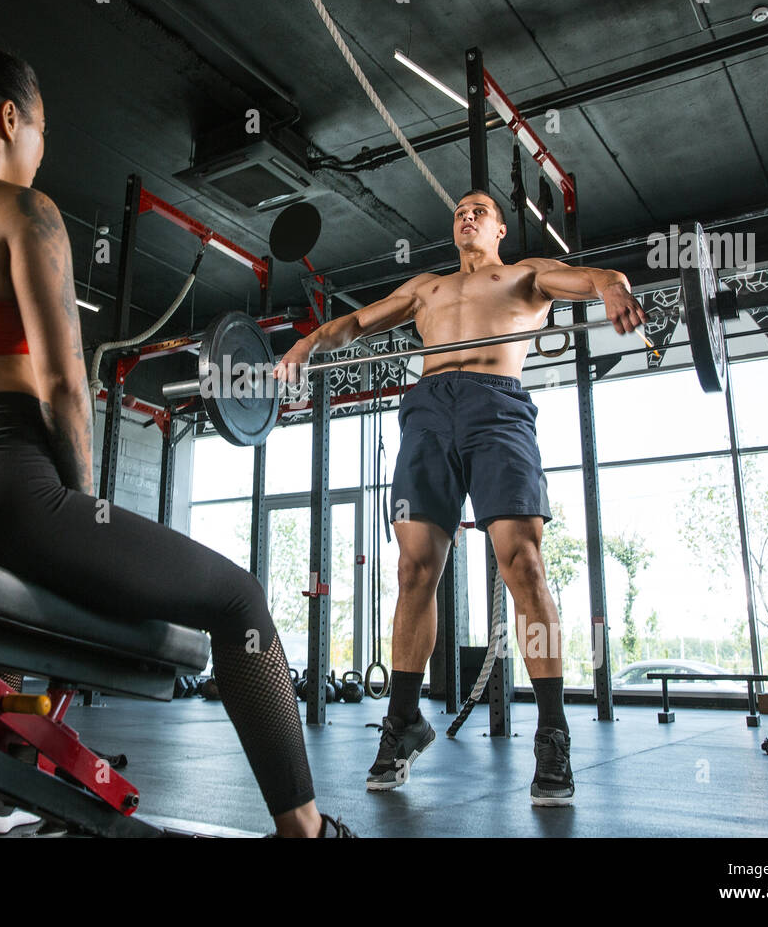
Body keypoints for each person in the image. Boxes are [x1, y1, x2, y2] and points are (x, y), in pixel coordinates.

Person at [0, 23, 352, 837]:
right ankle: (306, 832)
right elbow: (62, 387)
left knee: (17, 632)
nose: (44, 149)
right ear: (10, 120)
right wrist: (77, 518)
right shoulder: (23, 210)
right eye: (44, 126)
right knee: (239, 600)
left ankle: (10, 790)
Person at [274, 190, 646, 806]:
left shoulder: (526, 275)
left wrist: (611, 286)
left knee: (523, 562)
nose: (467, 215)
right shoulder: (427, 287)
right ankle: (402, 723)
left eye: (479, 209)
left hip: (498, 408)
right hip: (425, 414)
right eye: (459, 211)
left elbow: (597, 277)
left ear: (501, 226)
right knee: (413, 568)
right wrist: (307, 343)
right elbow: (357, 323)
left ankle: (551, 732)